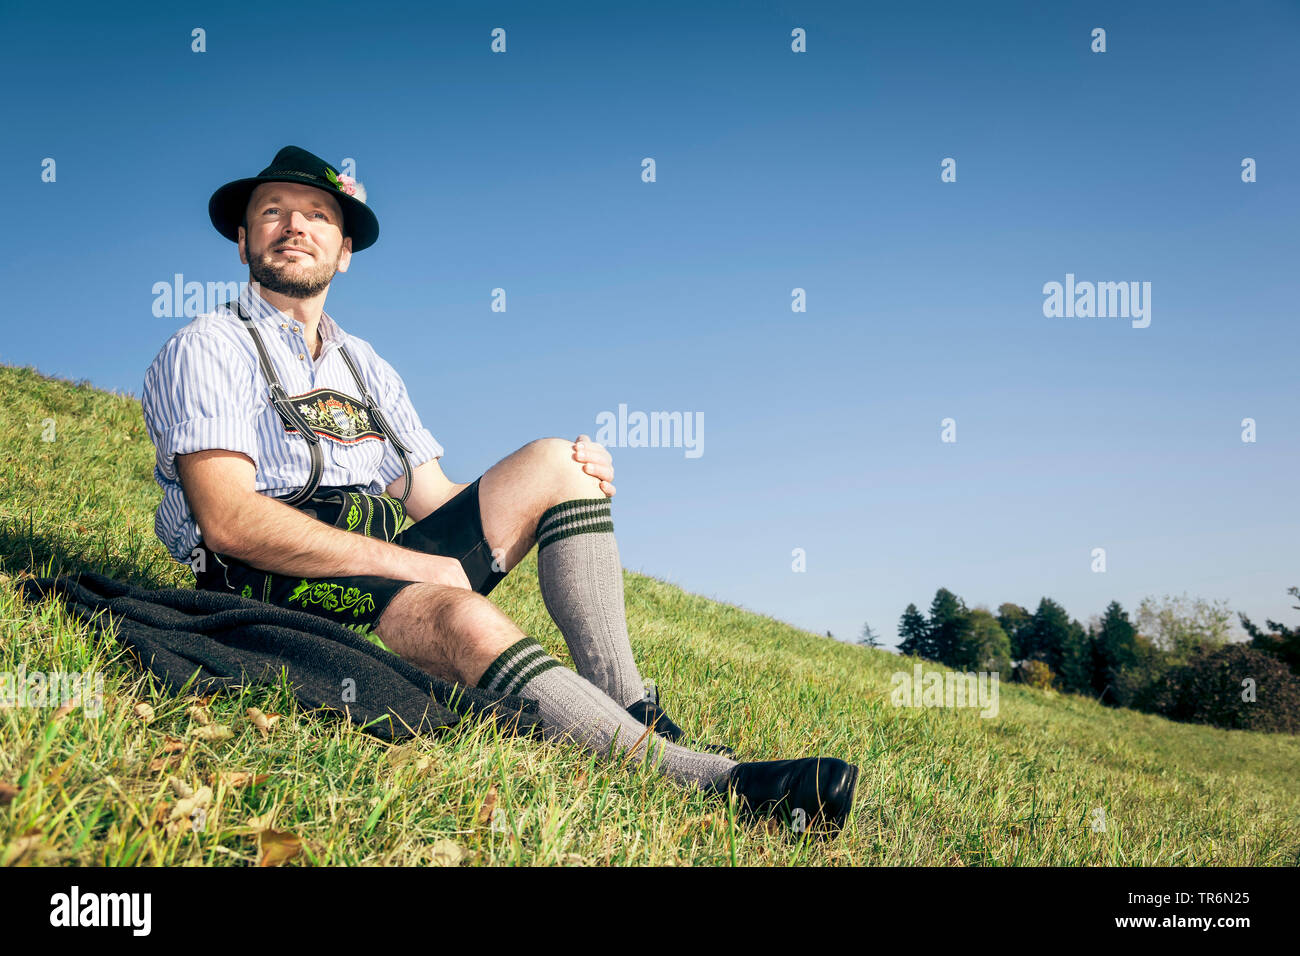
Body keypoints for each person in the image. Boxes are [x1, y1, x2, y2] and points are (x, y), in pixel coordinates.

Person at [141, 145, 858, 836]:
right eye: (273, 212)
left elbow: (431, 496)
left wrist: (569, 481)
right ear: (243, 242)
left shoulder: (366, 366)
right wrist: (414, 567)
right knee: (462, 615)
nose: (295, 225)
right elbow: (229, 522)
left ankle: (629, 703)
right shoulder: (208, 344)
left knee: (559, 460)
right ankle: (717, 782)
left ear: (344, 249)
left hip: (376, 557)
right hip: (264, 578)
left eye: (317, 214)